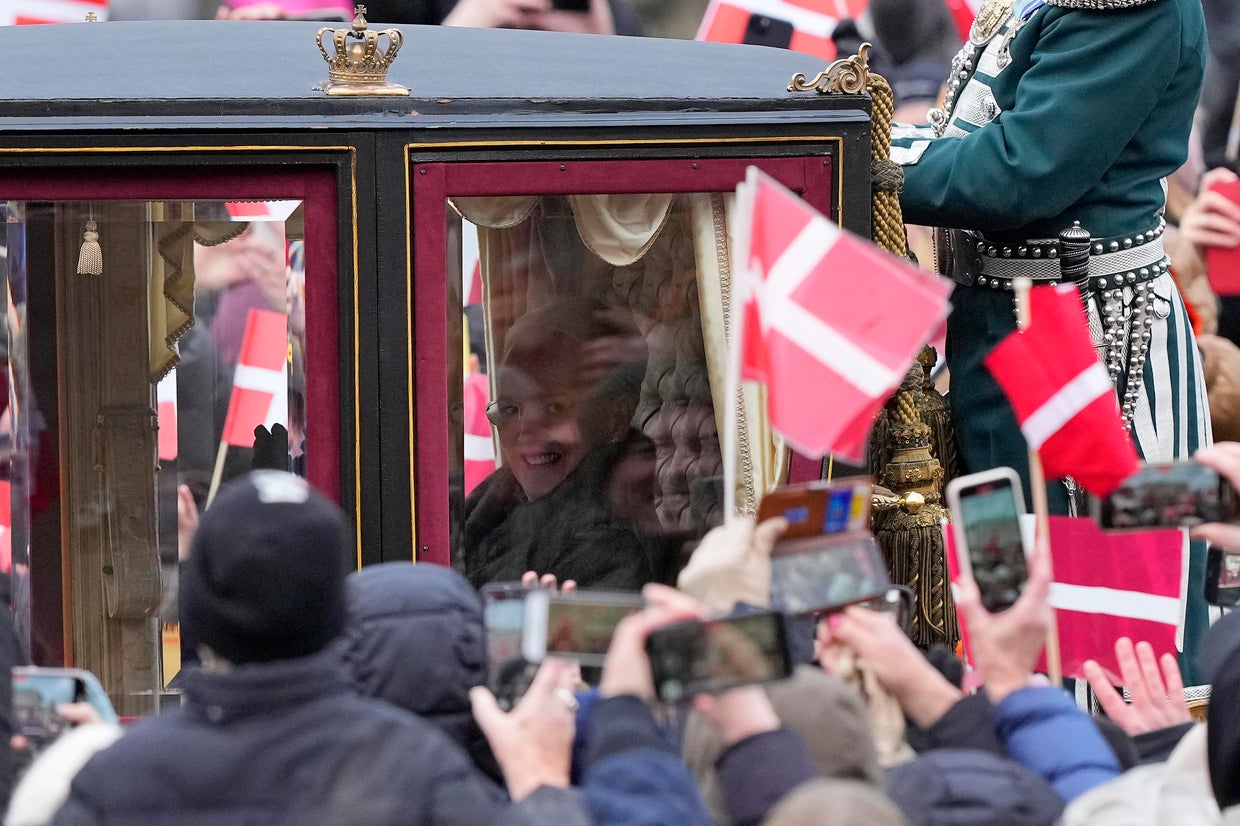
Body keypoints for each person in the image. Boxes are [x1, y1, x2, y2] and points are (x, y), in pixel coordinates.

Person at [891, 0, 1211, 678]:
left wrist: (873, 164)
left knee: (1105, 617)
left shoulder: (1133, 9)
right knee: (1004, 570)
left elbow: (1021, 170)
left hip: (1090, 342)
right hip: (1006, 327)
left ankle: (1102, 760)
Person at [47, 471, 583, 825]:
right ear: (338, 610)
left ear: (198, 610)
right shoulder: (416, 768)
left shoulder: (113, 781)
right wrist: (545, 784)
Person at [459, 300, 658, 589]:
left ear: (616, 418)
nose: (526, 429)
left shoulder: (609, 541)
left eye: (555, 408)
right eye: (510, 408)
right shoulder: (487, 507)